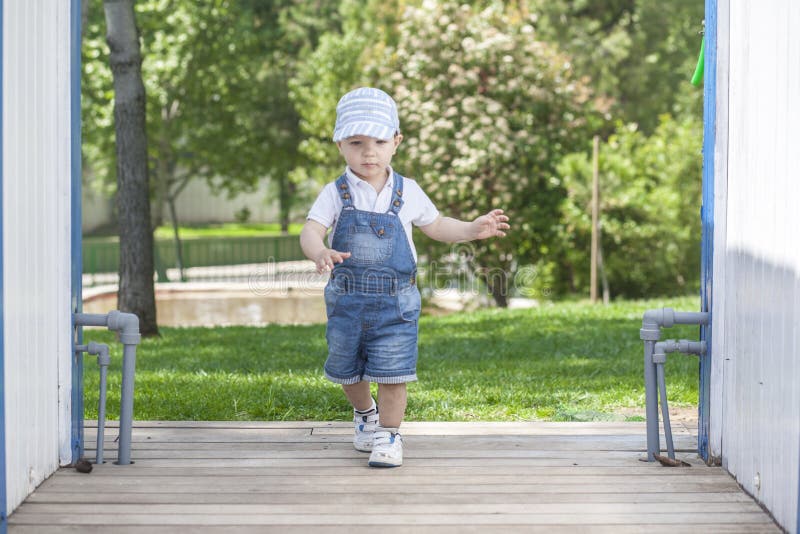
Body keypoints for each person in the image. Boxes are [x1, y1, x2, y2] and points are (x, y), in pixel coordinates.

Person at [299, 87, 510, 467]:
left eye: (379, 140)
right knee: (347, 370)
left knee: (394, 373)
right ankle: (365, 414)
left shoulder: (407, 191)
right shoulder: (335, 193)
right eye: (356, 142)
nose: (369, 152)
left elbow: (438, 225)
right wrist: (320, 251)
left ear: (396, 141)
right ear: (339, 145)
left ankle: (389, 435)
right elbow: (310, 230)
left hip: (396, 303)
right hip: (347, 301)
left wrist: (472, 229)